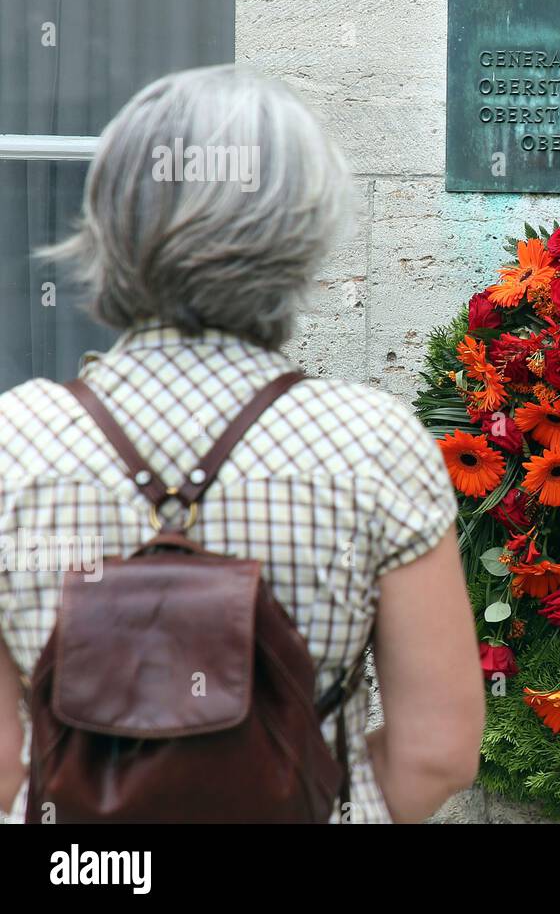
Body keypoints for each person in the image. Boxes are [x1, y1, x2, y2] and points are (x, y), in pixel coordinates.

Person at [0, 66, 484, 823]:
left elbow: (3, 766)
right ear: (302, 234)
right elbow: (439, 752)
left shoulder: (12, 443)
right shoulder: (374, 443)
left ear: (110, 222)